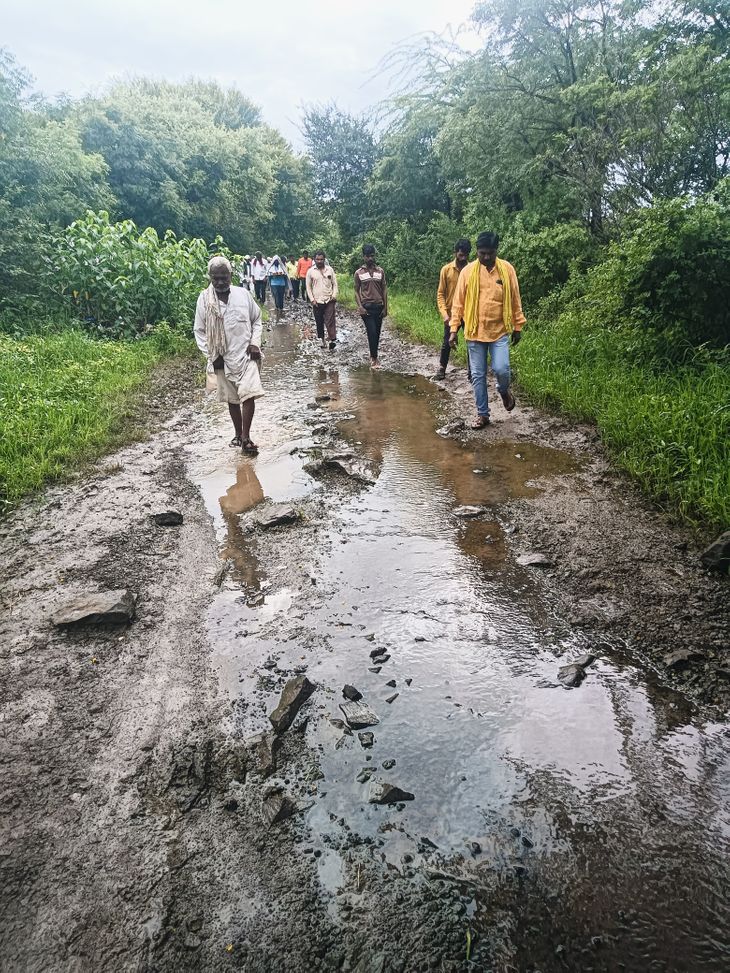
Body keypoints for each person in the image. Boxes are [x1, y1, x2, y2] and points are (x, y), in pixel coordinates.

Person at [449, 231, 525, 429]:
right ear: (477, 251)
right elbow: (458, 303)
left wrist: (518, 326)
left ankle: (503, 390)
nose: (486, 257)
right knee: (477, 375)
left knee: (501, 369)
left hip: (499, 331)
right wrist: (453, 329)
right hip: (475, 332)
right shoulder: (468, 272)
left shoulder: (507, 270)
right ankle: (483, 414)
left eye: (490, 253)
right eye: (482, 253)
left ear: (496, 250)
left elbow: (515, 299)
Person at [194, 255, 264, 454]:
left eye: (223, 277)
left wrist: (254, 344)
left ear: (231, 276)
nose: (219, 282)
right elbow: (199, 331)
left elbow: (257, 320)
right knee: (232, 399)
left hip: (246, 356)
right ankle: (238, 433)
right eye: (215, 278)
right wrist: (212, 356)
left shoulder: (243, 295)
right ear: (210, 277)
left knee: (249, 394)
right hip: (222, 358)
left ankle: (246, 437)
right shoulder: (204, 300)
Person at [434, 238, 471, 380]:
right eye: (461, 254)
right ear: (455, 252)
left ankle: (472, 372)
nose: (463, 258)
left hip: (468, 313)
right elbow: (440, 294)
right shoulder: (446, 270)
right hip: (451, 313)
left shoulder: (472, 270)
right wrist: (444, 314)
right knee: (446, 342)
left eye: (466, 255)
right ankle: (442, 368)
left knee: (471, 343)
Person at [354, 244, 387, 369]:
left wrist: (386, 307)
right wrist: (360, 307)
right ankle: (374, 358)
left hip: (379, 306)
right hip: (366, 308)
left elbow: (384, 289)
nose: (370, 258)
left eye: (372, 256)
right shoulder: (359, 273)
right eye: (367, 256)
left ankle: (373, 354)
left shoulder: (380, 271)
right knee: (371, 332)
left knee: (377, 333)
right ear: (363, 257)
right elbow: (356, 290)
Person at [306, 249, 339, 349]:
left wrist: (334, 295)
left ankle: (332, 339)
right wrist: (312, 300)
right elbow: (308, 287)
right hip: (317, 301)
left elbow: (335, 284)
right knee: (319, 321)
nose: (319, 261)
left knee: (330, 320)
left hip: (329, 299)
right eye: (317, 259)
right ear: (314, 259)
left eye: (321, 259)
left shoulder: (330, 270)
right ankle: (322, 340)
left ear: (324, 259)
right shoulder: (310, 271)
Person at [267, 255, 291, 321]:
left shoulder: (282, 267)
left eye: (277, 261)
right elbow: (268, 275)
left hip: (281, 283)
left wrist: (282, 274)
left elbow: (286, 274)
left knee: (281, 296)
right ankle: (277, 306)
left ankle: (281, 307)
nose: (276, 262)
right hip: (274, 283)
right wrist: (272, 275)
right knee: (276, 295)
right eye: (275, 261)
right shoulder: (271, 267)